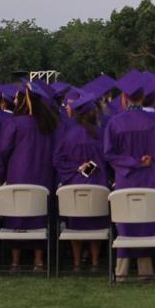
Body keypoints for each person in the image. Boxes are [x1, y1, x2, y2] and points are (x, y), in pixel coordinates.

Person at [104, 71, 155, 282]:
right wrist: (143, 163)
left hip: (125, 178)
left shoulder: (115, 122)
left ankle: (121, 273)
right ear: (142, 97)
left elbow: (109, 154)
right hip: (150, 178)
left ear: (124, 97)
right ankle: (145, 272)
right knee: (145, 222)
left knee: (126, 222)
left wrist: (131, 163)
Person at [0, 82, 59, 273]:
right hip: (43, 175)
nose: (14, 100)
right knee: (39, 216)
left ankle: (15, 261)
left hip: (18, 174)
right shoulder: (49, 123)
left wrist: (0, 175)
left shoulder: (14, 123)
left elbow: (3, 151)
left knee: (17, 217)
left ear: (24, 100)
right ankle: (38, 261)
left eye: (16, 97)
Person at [53, 92, 110, 273]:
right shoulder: (100, 134)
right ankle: (94, 262)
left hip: (74, 185)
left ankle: (77, 262)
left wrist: (77, 168)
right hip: (97, 183)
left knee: (75, 224)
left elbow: (58, 160)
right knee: (96, 223)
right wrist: (92, 168)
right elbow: (107, 160)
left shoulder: (69, 135)